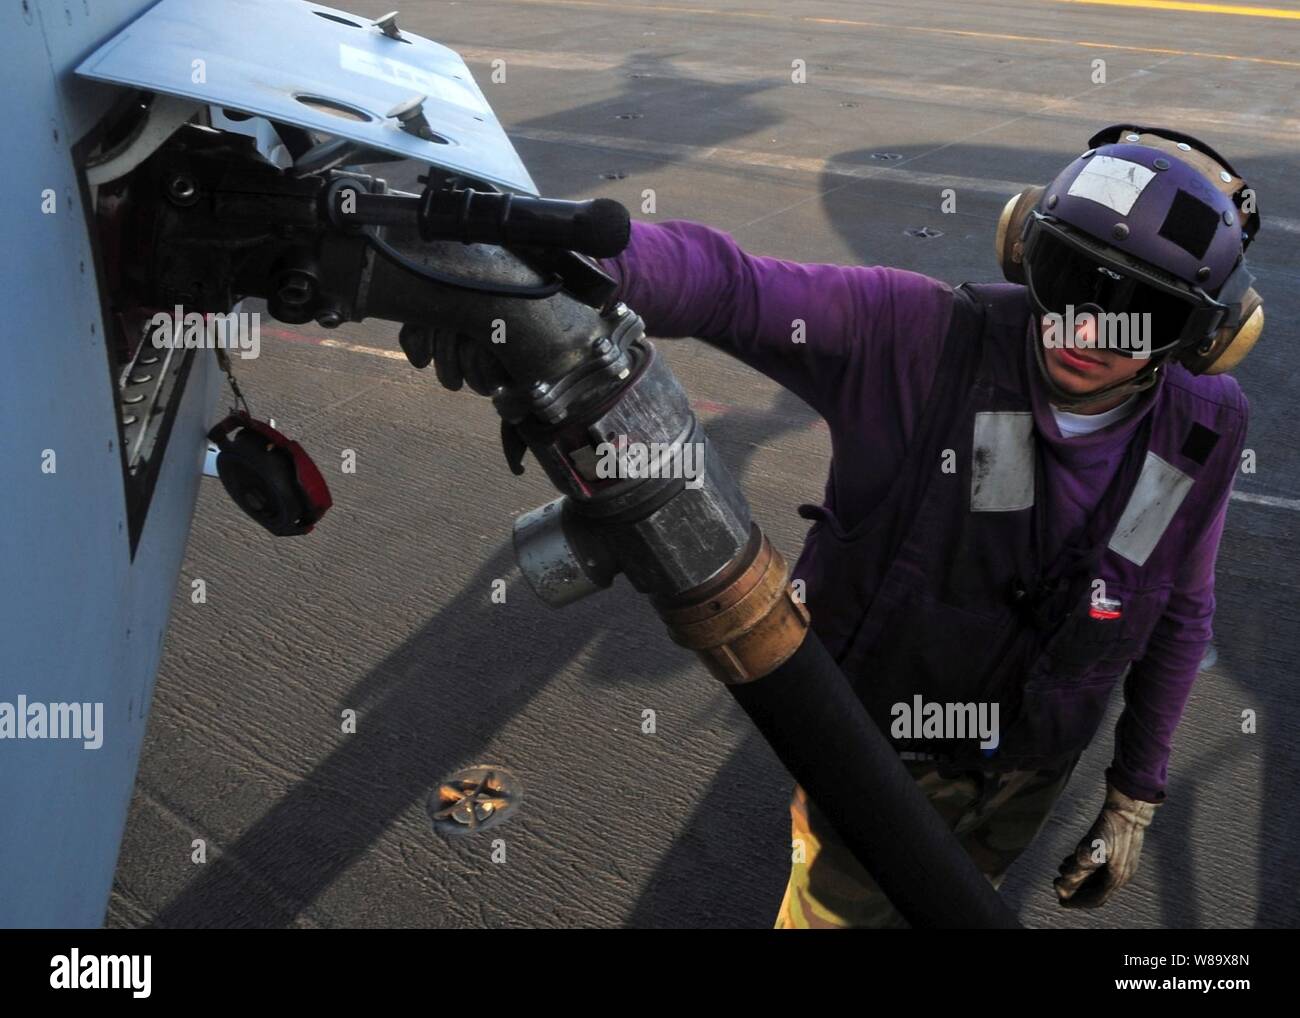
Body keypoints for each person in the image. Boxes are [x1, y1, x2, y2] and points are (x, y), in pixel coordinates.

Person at [407, 124, 1264, 928]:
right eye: (1071, 278)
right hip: (877, 758)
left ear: (1205, 338)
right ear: (1022, 249)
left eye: (1138, 311)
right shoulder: (923, 341)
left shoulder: (1199, 429)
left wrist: (1132, 796)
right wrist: (530, 274)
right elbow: (730, 285)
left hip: (1033, 767)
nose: (1085, 328)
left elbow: (1177, 608)